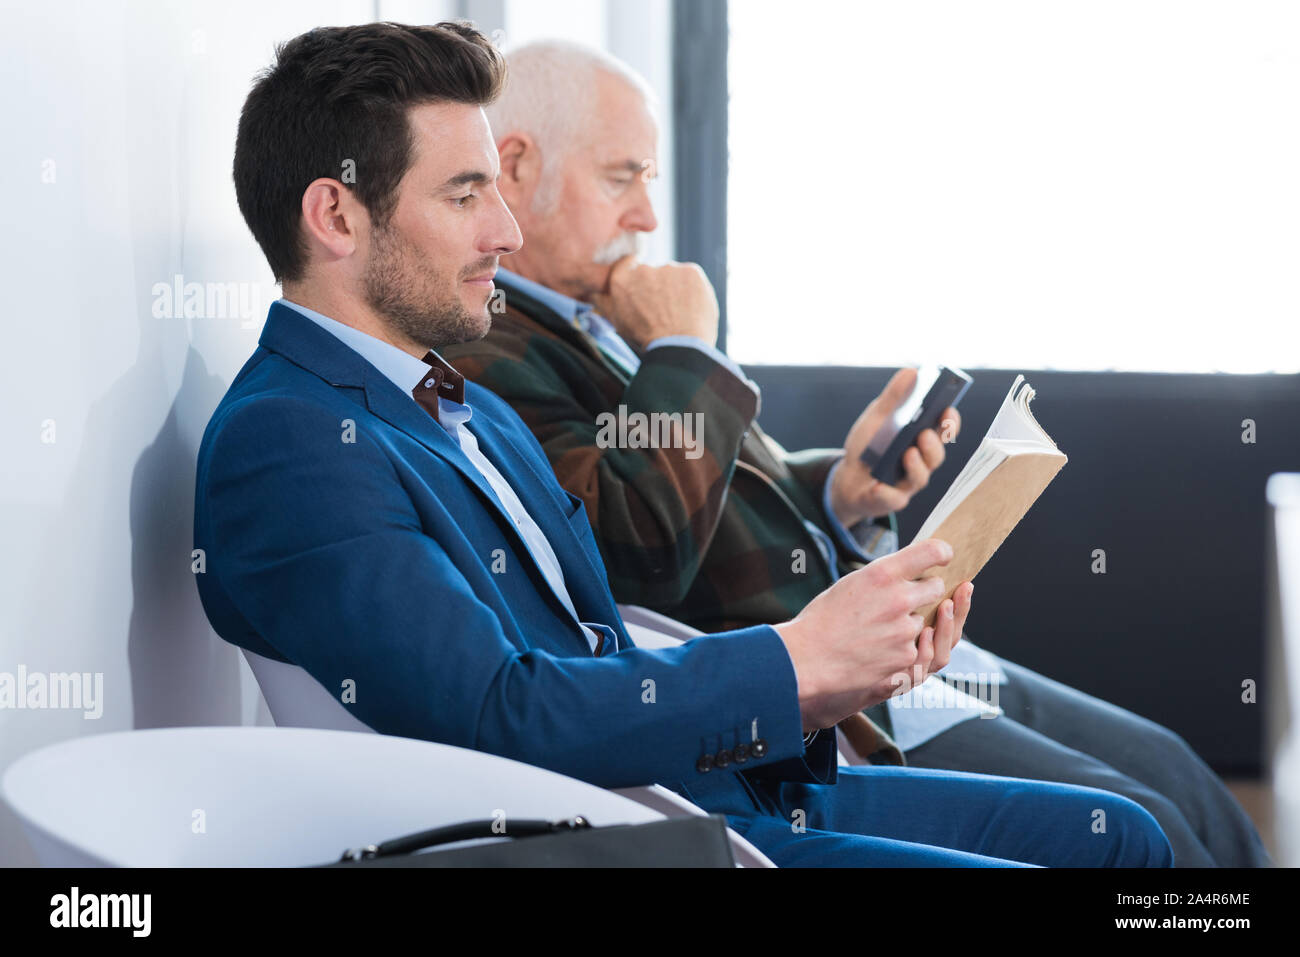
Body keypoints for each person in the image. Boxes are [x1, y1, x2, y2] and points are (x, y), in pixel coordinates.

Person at [195, 20, 1173, 867]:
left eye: (497, 187)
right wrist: (797, 663)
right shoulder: (290, 444)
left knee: (1122, 833)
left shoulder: (464, 405)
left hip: (719, 786)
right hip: (626, 836)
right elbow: (500, 714)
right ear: (337, 216)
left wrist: (836, 667)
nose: (502, 228)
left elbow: (603, 639)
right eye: (463, 195)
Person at [439, 39, 1269, 867]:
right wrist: (686, 352)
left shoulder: (604, 315)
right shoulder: (491, 347)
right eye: (623, 176)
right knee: (1139, 815)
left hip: (897, 651)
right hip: (835, 699)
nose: (647, 218)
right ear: (514, 166)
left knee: (1176, 770)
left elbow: (724, 490)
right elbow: (635, 543)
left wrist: (843, 489)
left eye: (650, 181)